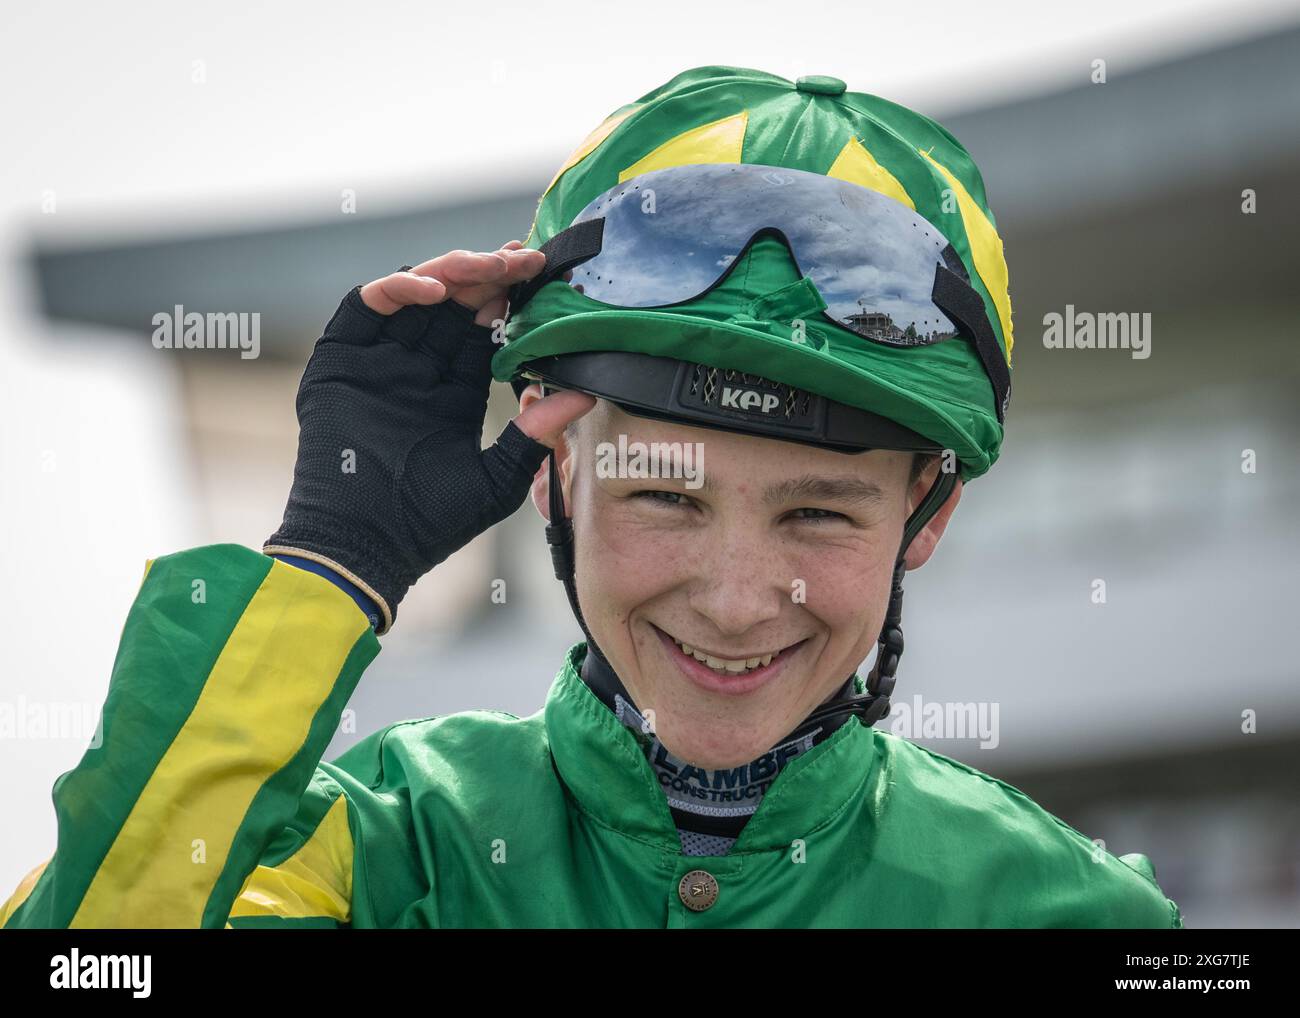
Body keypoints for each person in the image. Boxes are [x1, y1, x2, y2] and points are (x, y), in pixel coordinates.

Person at [1, 66, 1182, 928]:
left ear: (927, 515)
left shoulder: (1080, 918)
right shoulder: (366, 846)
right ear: (555, 473)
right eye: (665, 497)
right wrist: (328, 561)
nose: (730, 601)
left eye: (817, 512)